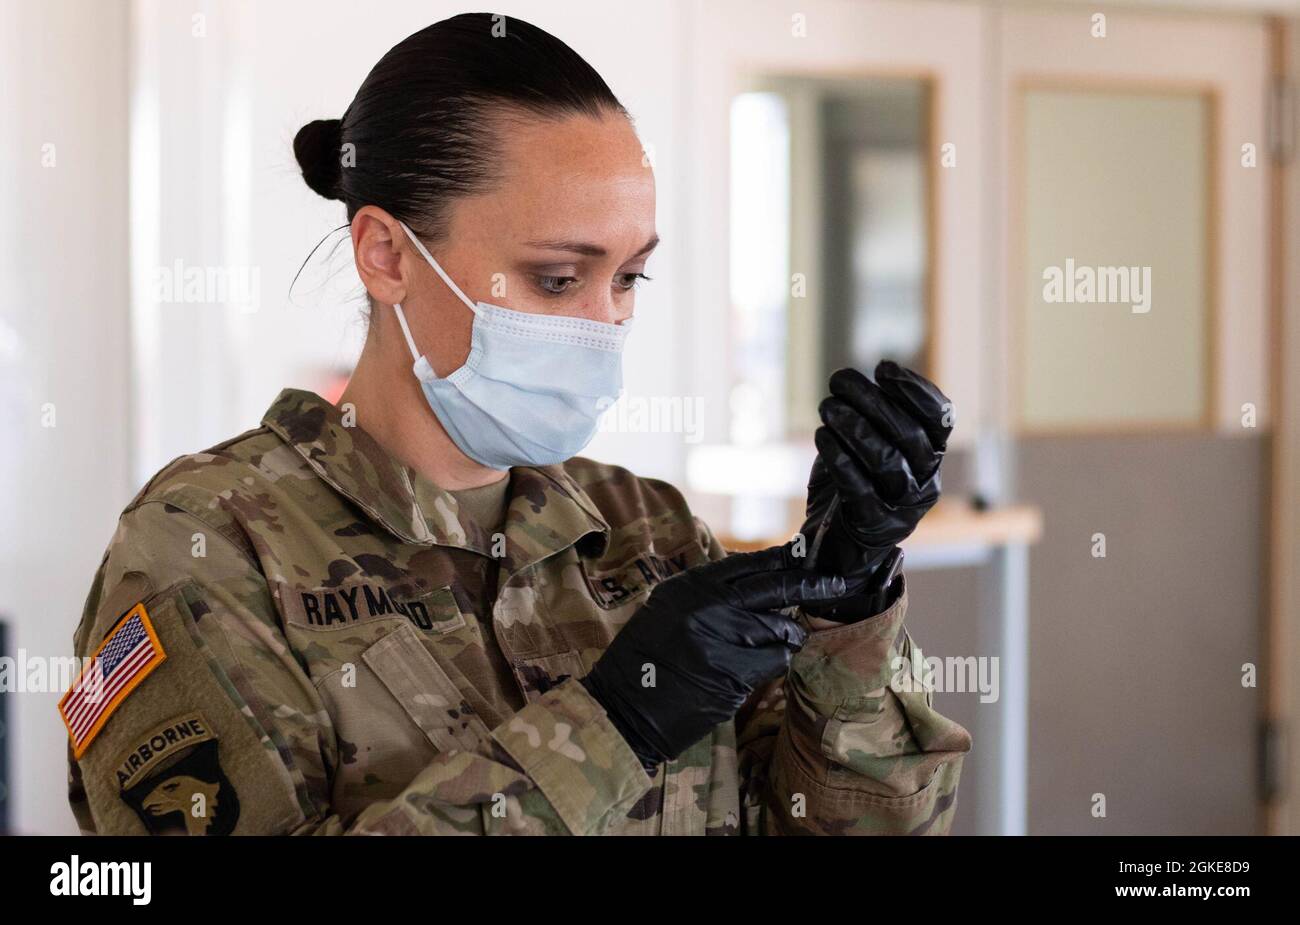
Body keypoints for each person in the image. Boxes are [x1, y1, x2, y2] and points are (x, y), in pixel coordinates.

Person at [63, 13, 970, 836]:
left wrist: (849, 610)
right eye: (554, 278)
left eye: (629, 277)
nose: (605, 320)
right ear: (386, 254)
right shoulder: (206, 548)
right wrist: (613, 725)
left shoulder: (645, 528)